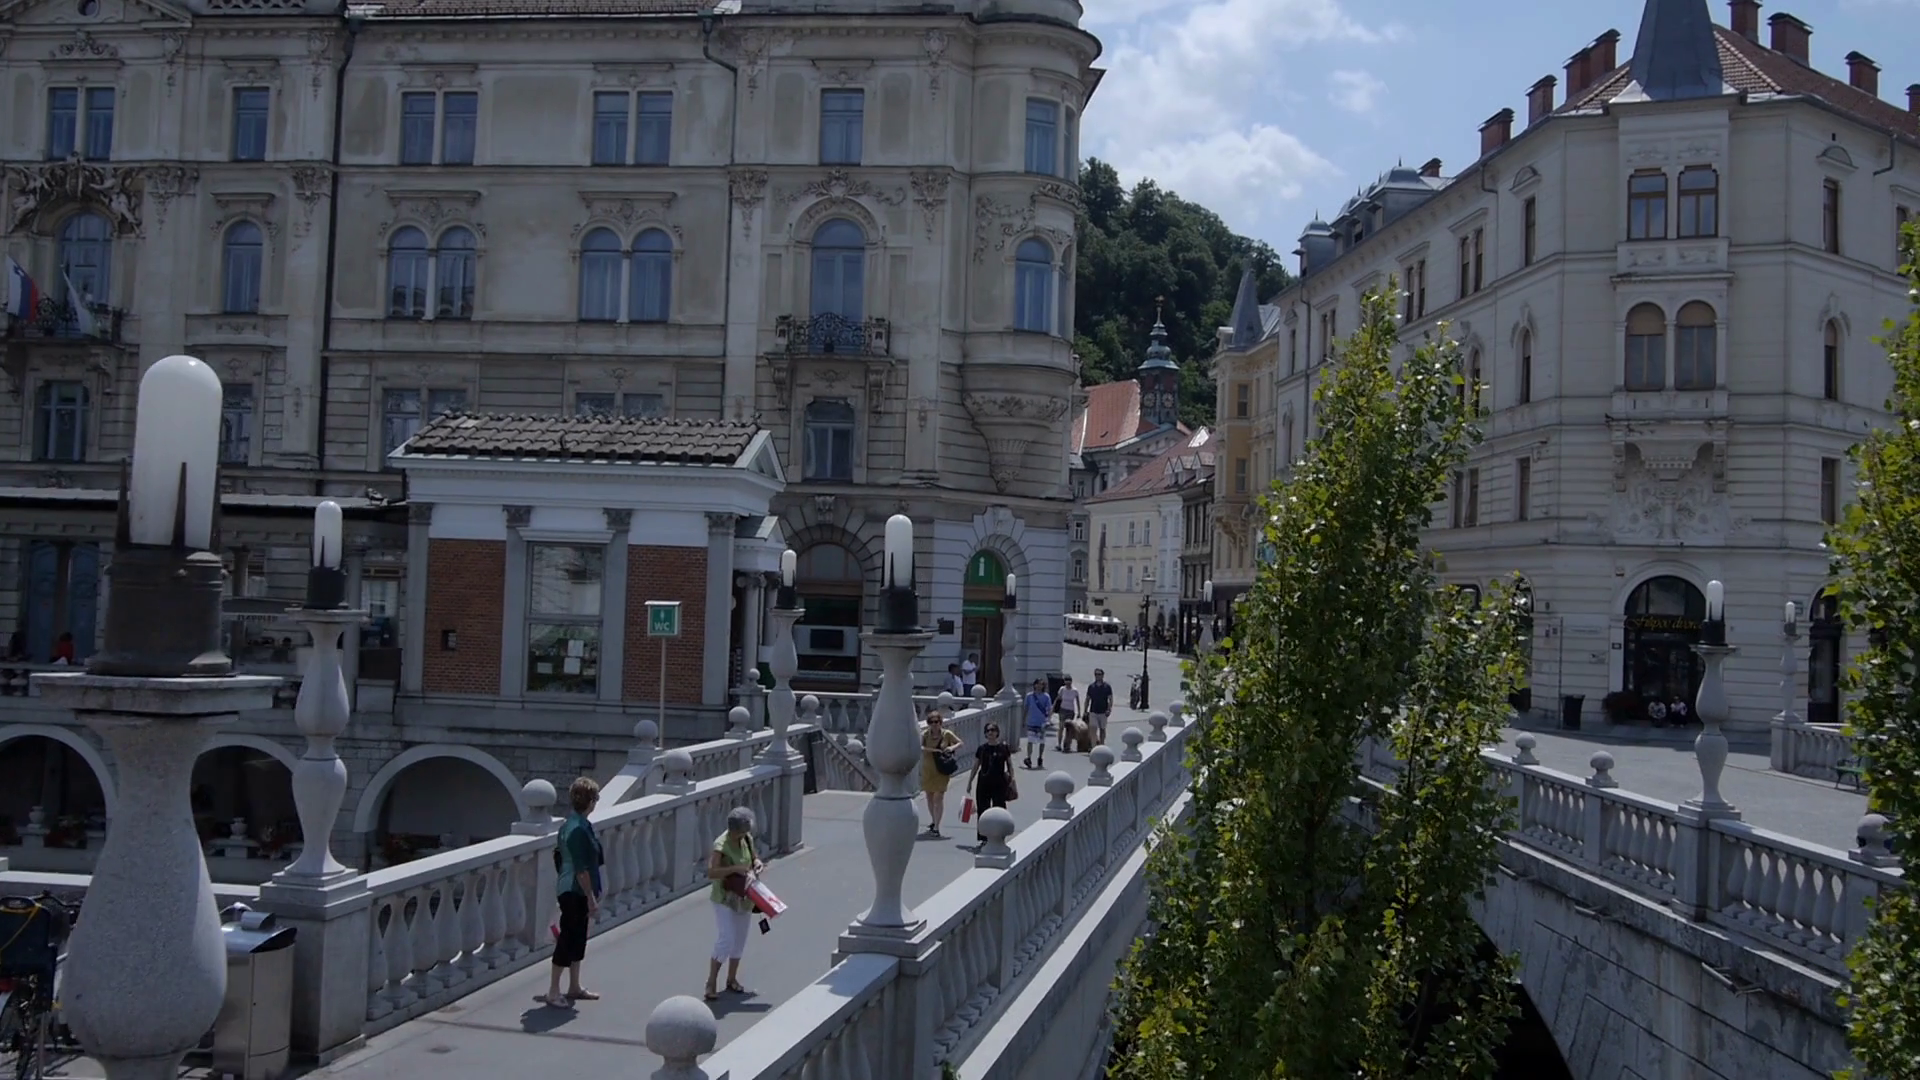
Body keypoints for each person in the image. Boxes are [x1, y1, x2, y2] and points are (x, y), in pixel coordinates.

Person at [545, 776, 603, 1008]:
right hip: (573, 890)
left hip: (572, 887)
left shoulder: (576, 824)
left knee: (579, 937)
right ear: (590, 801)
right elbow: (581, 869)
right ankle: (553, 990)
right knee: (568, 939)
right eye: (595, 798)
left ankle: (574, 986)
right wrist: (590, 898)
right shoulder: (577, 829)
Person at [704, 806, 763, 1002]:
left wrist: (757, 863)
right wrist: (734, 869)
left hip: (743, 896)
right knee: (726, 939)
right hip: (724, 897)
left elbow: (754, 857)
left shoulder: (746, 839)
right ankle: (711, 981)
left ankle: (732, 978)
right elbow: (712, 872)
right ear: (735, 829)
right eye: (744, 830)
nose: (746, 834)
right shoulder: (721, 844)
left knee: (740, 940)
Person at [966, 720, 1017, 850]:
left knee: (999, 808)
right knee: (983, 810)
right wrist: (970, 781)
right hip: (983, 782)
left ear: (997, 733)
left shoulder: (1003, 748)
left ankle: (1000, 834)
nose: (990, 733)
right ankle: (983, 838)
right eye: (988, 731)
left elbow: (1010, 764)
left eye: (993, 730)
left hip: (999, 783)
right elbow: (976, 766)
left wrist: (1012, 779)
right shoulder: (982, 749)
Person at [919, 710, 964, 838]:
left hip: (942, 769)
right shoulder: (925, 735)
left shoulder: (947, 734)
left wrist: (951, 748)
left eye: (937, 722)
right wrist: (934, 750)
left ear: (941, 722)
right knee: (929, 795)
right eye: (932, 722)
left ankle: (937, 827)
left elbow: (960, 743)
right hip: (928, 768)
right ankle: (934, 821)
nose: (934, 724)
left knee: (938, 797)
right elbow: (920, 747)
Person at [1022, 678, 1051, 770]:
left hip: (1041, 722)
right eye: (1037, 684)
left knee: (1042, 741)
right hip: (1031, 721)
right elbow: (1026, 708)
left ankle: (1040, 757)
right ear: (1034, 685)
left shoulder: (1046, 697)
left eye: (1041, 684)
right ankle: (1029, 757)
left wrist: (1048, 720)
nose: (1039, 686)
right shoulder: (1029, 696)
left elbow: (1048, 709)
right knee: (1030, 741)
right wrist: (1023, 720)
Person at [1054, 676, 1082, 753]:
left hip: (1071, 710)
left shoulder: (1074, 690)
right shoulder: (1062, 689)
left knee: (1069, 729)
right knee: (1061, 727)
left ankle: (1067, 745)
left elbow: (1077, 701)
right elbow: (1058, 699)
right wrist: (1053, 708)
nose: (1067, 682)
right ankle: (1059, 744)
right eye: (1066, 680)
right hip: (1062, 709)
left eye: (1069, 680)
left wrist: (1079, 712)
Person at [1086, 668, 1113, 746]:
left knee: (1102, 729)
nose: (1097, 676)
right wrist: (1085, 710)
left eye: (1099, 674)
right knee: (1093, 729)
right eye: (1096, 674)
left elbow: (1110, 699)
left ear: (1102, 675)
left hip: (1103, 711)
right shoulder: (1091, 686)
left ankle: (1102, 744)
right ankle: (1093, 746)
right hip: (1093, 711)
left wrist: (1109, 709)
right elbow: (1088, 699)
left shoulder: (1107, 687)